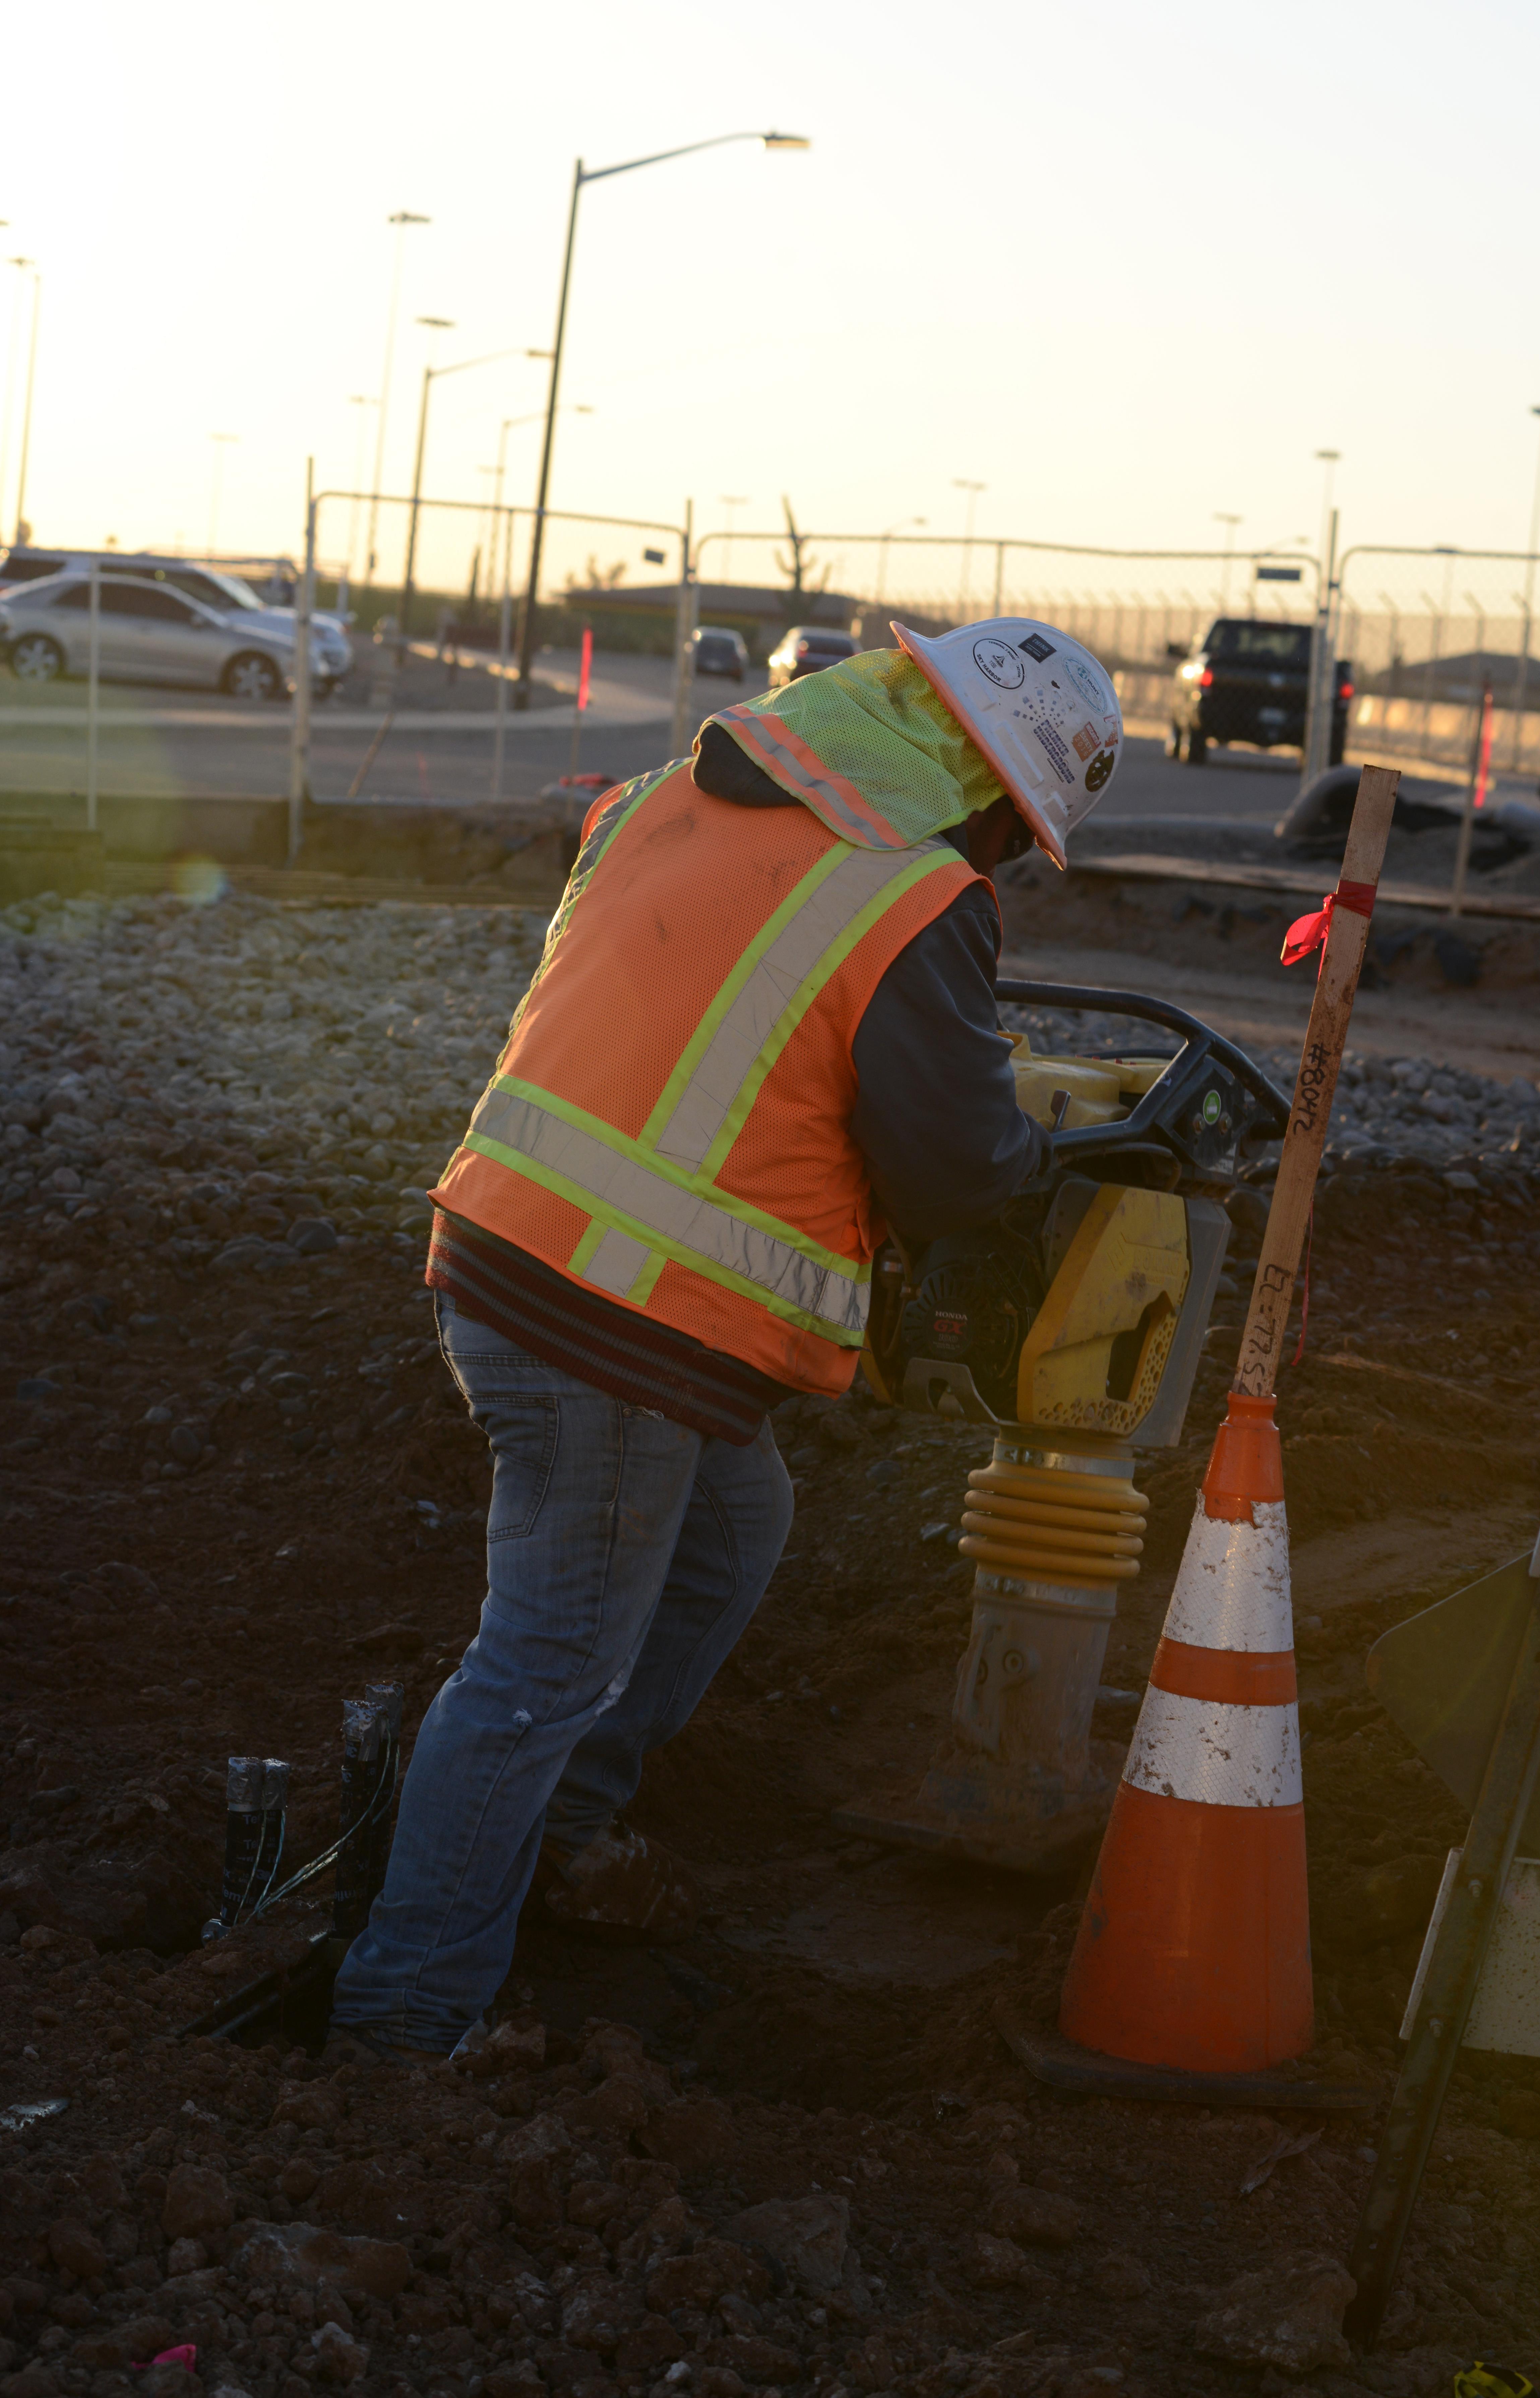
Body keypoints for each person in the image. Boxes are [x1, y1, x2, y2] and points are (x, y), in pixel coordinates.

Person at [332, 617, 1123, 2057]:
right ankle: (406, 2016)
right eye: (1013, 831)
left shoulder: (666, 797)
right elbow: (951, 1165)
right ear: (990, 786)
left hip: (512, 1249)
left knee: (731, 1533)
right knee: (546, 1662)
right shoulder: (911, 891)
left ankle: (562, 1827)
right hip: (626, 1323)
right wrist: (1038, 1164)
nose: (1002, 860)